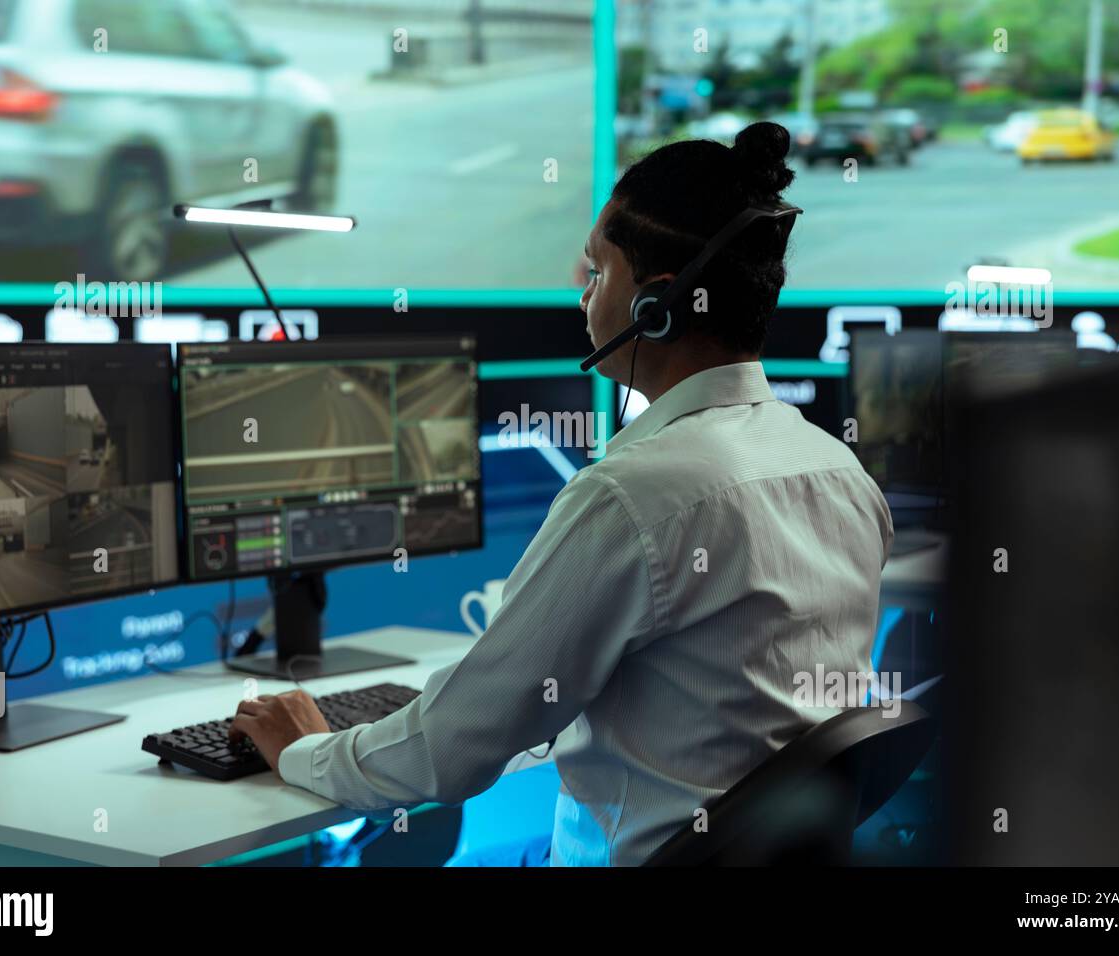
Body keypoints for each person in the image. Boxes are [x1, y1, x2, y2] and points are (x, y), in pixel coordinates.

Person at [228, 121, 894, 867]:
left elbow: (452, 751)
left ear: (656, 305)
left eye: (596, 271)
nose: (582, 296)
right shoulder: (841, 473)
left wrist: (306, 750)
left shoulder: (633, 497)